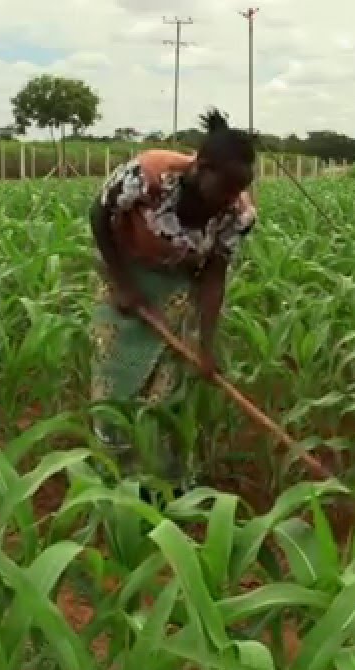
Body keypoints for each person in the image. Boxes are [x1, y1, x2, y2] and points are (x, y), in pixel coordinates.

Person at [87, 107, 257, 490]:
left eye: (238, 190)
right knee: (115, 382)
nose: (231, 198)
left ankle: (163, 485)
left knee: (167, 393)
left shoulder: (237, 213)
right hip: (125, 273)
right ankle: (112, 478)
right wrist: (124, 285)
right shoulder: (150, 175)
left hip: (180, 290)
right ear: (202, 167)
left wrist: (206, 347)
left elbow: (214, 276)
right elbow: (100, 216)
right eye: (226, 187)